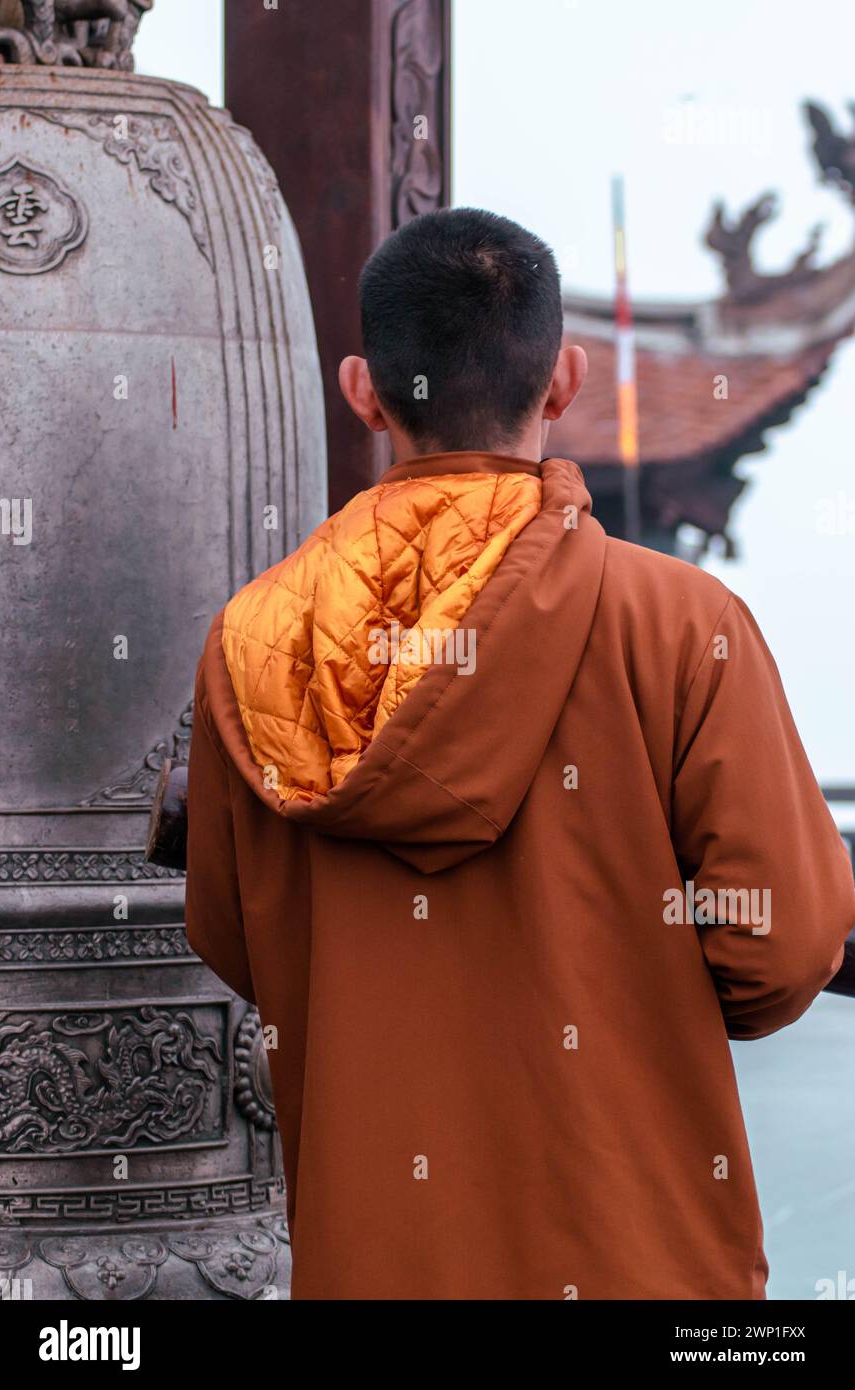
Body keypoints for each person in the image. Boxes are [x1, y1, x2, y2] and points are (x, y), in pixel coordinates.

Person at [184, 207, 855, 1300]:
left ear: (361, 388)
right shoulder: (681, 623)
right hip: (640, 1258)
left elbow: (230, 925)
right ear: (564, 382)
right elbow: (782, 943)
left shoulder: (256, 640)